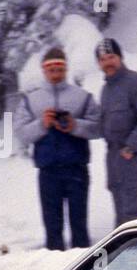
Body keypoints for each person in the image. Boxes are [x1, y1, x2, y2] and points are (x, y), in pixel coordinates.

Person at [15, 46, 101, 250]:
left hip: (76, 168)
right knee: (52, 227)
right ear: (44, 71)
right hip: (48, 170)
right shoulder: (31, 99)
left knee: (79, 224)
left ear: (66, 69)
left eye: (60, 69)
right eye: (51, 69)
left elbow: (99, 127)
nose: (56, 74)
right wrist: (42, 124)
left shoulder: (82, 96)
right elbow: (20, 133)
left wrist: (75, 125)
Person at [95, 38, 137, 226]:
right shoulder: (106, 90)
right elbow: (105, 126)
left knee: (136, 220)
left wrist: (131, 147)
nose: (107, 62)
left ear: (120, 57)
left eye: (111, 57)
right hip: (115, 165)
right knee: (123, 224)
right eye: (102, 59)